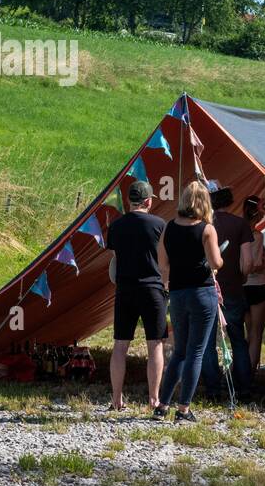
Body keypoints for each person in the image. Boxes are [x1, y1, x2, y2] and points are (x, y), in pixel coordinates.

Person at [155, 181, 223, 422]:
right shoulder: (207, 229)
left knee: (180, 351)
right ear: (205, 203)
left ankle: (161, 405)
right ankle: (183, 409)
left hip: (178, 293)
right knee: (196, 352)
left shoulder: (169, 228)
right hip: (202, 293)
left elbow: (163, 263)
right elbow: (215, 263)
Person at [105, 180, 166, 411]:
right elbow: (164, 259)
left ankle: (116, 398)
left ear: (129, 201)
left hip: (125, 289)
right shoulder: (160, 224)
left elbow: (115, 256)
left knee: (120, 345)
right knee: (155, 345)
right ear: (149, 201)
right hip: (152, 288)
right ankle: (154, 399)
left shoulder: (116, 226)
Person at [200, 186, 254, 400]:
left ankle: (213, 390)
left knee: (207, 342)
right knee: (238, 340)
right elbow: (248, 262)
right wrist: (241, 277)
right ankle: (244, 389)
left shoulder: (202, 224)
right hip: (232, 289)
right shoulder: (240, 224)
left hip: (206, 288)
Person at [241, 195, 265, 380]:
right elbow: (255, 266)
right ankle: (250, 375)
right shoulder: (255, 235)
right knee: (256, 334)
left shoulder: (237, 231)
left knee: (248, 333)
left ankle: (241, 370)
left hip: (242, 287)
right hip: (257, 286)